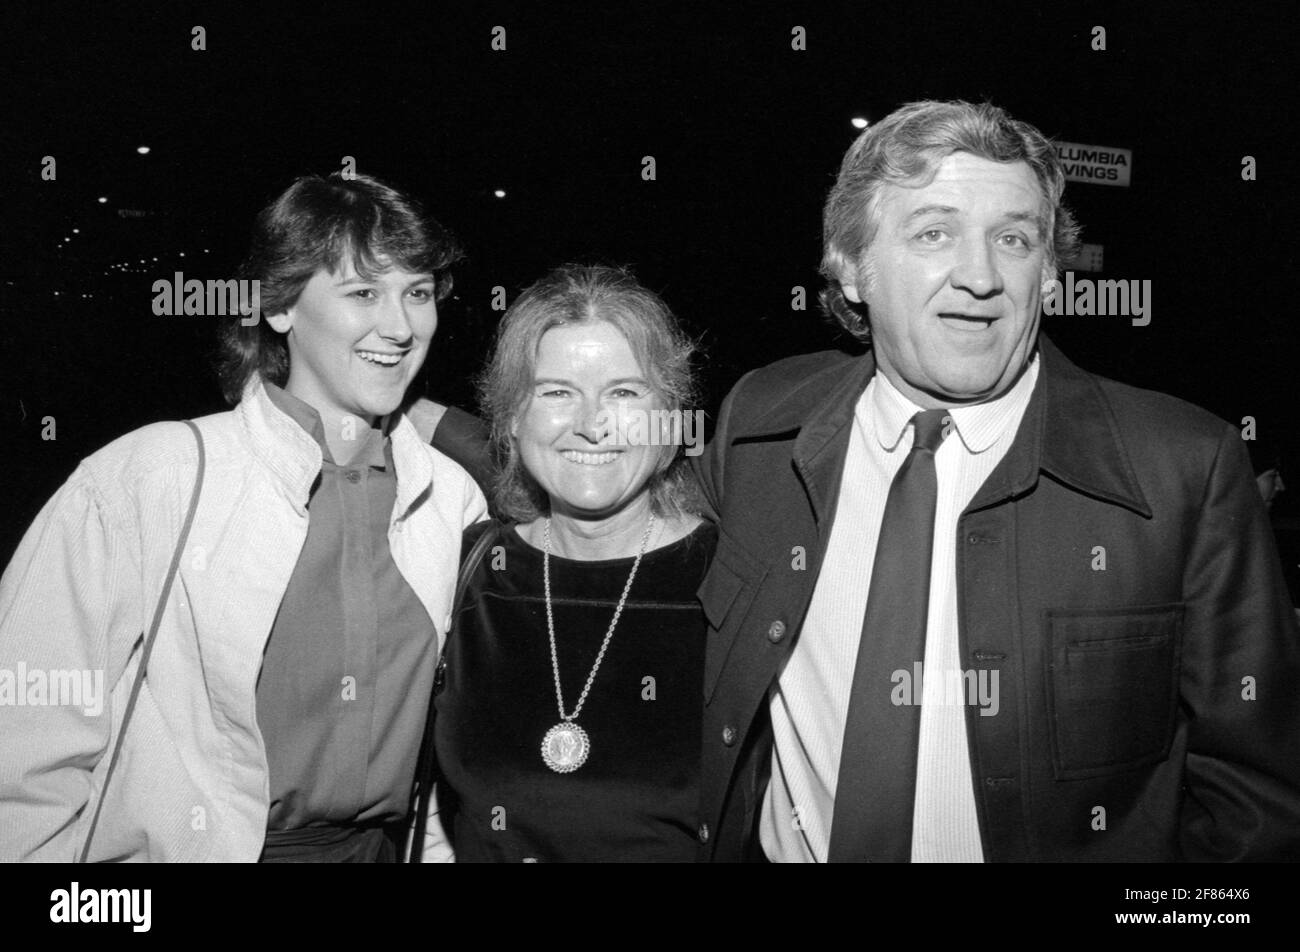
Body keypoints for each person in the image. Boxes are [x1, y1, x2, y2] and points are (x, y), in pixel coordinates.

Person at [694, 100, 1300, 862]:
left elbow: (1259, 802)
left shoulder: (1185, 469)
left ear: (1048, 272)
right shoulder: (758, 428)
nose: (980, 276)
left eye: (1013, 239)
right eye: (934, 232)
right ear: (851, 267)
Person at [0, 173, 487, 862]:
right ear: (281, 305)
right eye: (362, 293)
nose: (401, 326)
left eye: (418, 293)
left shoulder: (450, 498)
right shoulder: (150, 480)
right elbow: (23, 741)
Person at [427, 264, 714, 862]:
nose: (590, 425)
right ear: (511, 417)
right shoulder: (465, 572)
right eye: (557, 392)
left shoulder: (736, 584)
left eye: (624, 393)